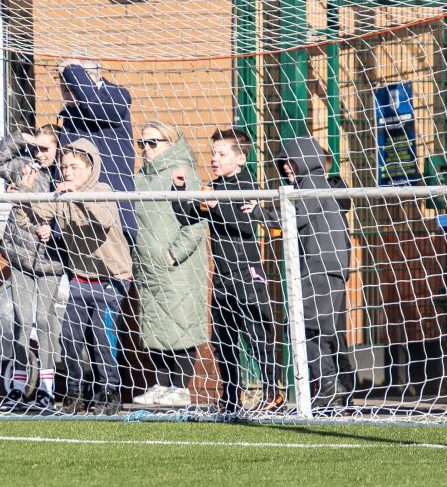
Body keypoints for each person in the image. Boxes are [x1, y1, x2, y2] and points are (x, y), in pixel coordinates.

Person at [173, 128, 283, 414]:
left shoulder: (248, 185)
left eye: (222, 154)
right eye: (213, 153)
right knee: (223, 338)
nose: (214, 159)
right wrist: (180, 190)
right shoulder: (214, 187)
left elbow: (246, 224)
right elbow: (187, 217)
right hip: (221, 277)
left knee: (257, 335)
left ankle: (273, 391)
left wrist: (217, 207)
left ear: (241, 159)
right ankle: (231, 396)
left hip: (247, 274)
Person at [31, 138, 133, 415]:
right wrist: (26, 194)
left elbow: (103, 221)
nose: (67, 172)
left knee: (101, 334)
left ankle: (110, 390)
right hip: (80, 276)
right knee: (70, 335)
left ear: (89, 168)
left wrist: (76, 194)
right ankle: (75, 391)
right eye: (64, 167)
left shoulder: (102, 191)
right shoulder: (61, 194)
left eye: (74, 167)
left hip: (112, 277)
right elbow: (36, 213)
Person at [129, 120, 208, 408]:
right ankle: (162, 384)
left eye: (153, 143)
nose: (146, 149)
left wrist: (173, 254)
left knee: (180, 324)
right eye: (142, 143)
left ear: (169, 144)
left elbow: (197, 222)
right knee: (155, 326)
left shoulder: (183, 172)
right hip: (147, 267)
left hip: (177, 268)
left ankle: (181, 386)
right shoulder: (141, 177)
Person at [277, 133, 356, 410]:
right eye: (284, 162)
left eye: (291, 161)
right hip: (330, 267)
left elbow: (295, 219)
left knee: (307, 329)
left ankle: (327, 390)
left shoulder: (311, 183)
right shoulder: (315, 183)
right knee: (327, 331)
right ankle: (342, 390)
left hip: (319, 267)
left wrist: (258, 212)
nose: (287, 166)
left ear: (306, 160)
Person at [0, 153, 65, 408]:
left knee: (44, 320)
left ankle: (47, 388)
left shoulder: (62, 175)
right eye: (37, 147)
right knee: (21, 320)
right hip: (21, 259)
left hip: (50, 261)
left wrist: (53, 232)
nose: (40, 154)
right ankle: (18, 386)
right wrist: (22, 137)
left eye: (46, 148)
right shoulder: (24, 169)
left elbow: (69, 215)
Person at [57, 59, 136, 241]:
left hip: (111, 223)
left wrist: (72, 69)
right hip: (74, 223)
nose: (65, 83)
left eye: (72, 78)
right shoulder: (69, 116)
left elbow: (96, 106)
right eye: (61, 78)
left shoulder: (116, 96)